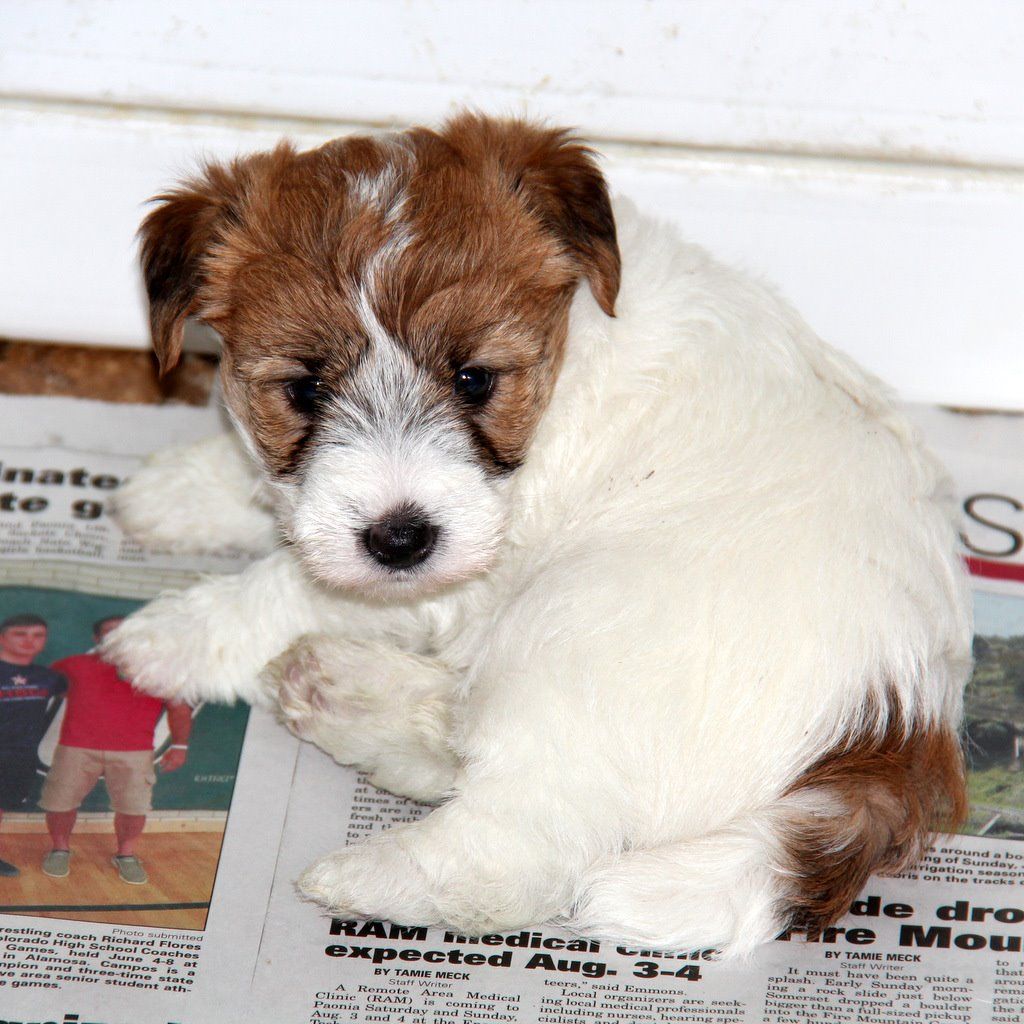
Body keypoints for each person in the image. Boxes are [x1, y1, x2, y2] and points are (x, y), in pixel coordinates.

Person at [40, 616, 192, 885]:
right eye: (111, 632)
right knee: (59, 803)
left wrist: (179, 746)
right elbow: (44, 690)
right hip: (76, 749)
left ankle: (125, 855)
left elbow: (179, 709)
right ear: (97, 640)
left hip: (134, 753)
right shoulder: (73, 665)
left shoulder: (161, 669)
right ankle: (59, 848)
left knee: (134, 808)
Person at [0, 614, 66, 877]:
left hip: (20, 757)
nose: (30, 641)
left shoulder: (49, 677)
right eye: (20, 634)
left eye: (38, 635)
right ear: (2, 637)